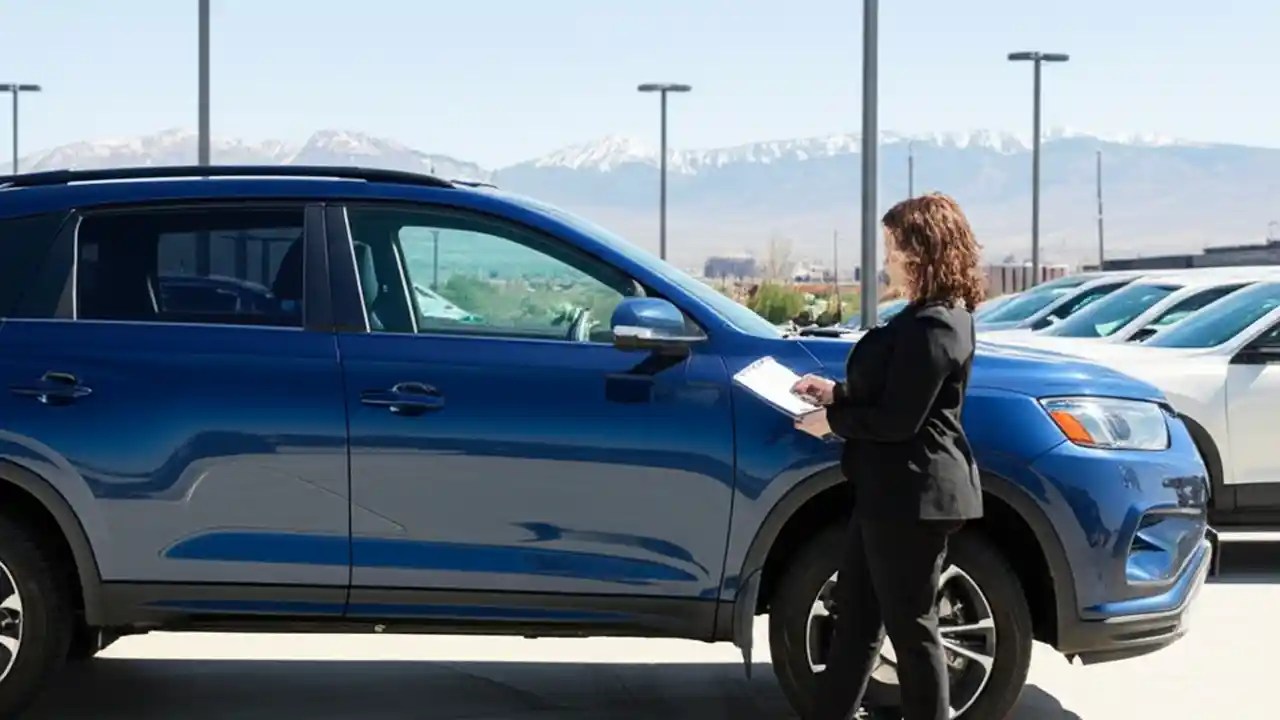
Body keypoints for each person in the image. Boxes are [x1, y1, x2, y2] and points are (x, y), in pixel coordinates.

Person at [791, 192, 986, 720]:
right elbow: (891, 394)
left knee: (912, 630)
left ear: (921, 250)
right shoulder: (923, 318)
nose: (887, 259)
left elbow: (900, 420)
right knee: (856, 622)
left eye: (893, 246)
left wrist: (830, 423)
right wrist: (833, 394)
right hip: (886, 496)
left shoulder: (938, 325)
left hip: (914, 499)